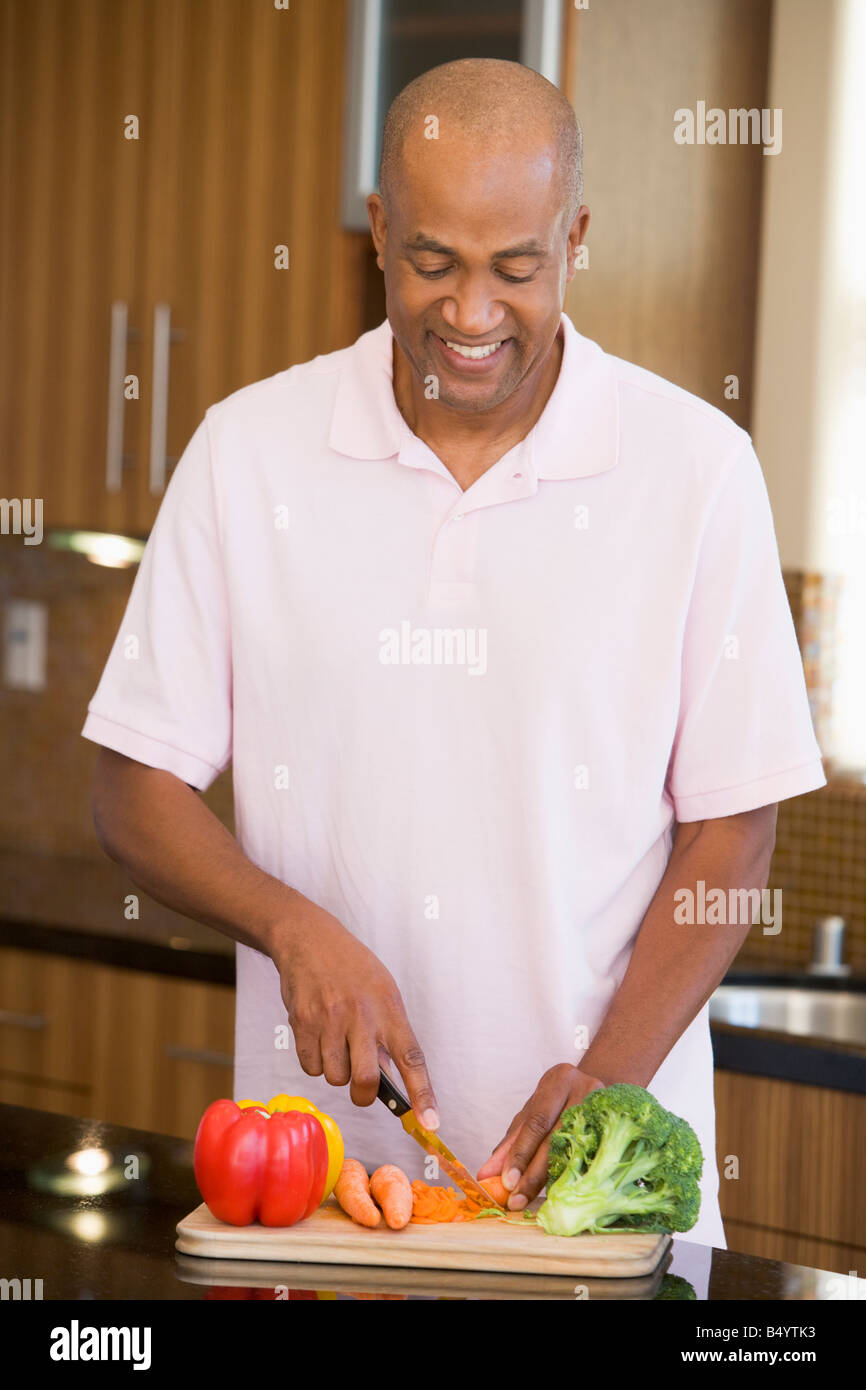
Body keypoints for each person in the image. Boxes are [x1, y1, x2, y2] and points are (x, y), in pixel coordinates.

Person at [83, 59, 825, 1248]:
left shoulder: (695, 470)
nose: (471, 315)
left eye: (515, 269)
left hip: (601, 1211)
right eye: (432, 263)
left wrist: (605, 1084)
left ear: (573, 238)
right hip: (324, 1195)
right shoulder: (248, 452)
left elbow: (732, 827)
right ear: (378, 231)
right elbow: (131, 782)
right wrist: (291, 925)